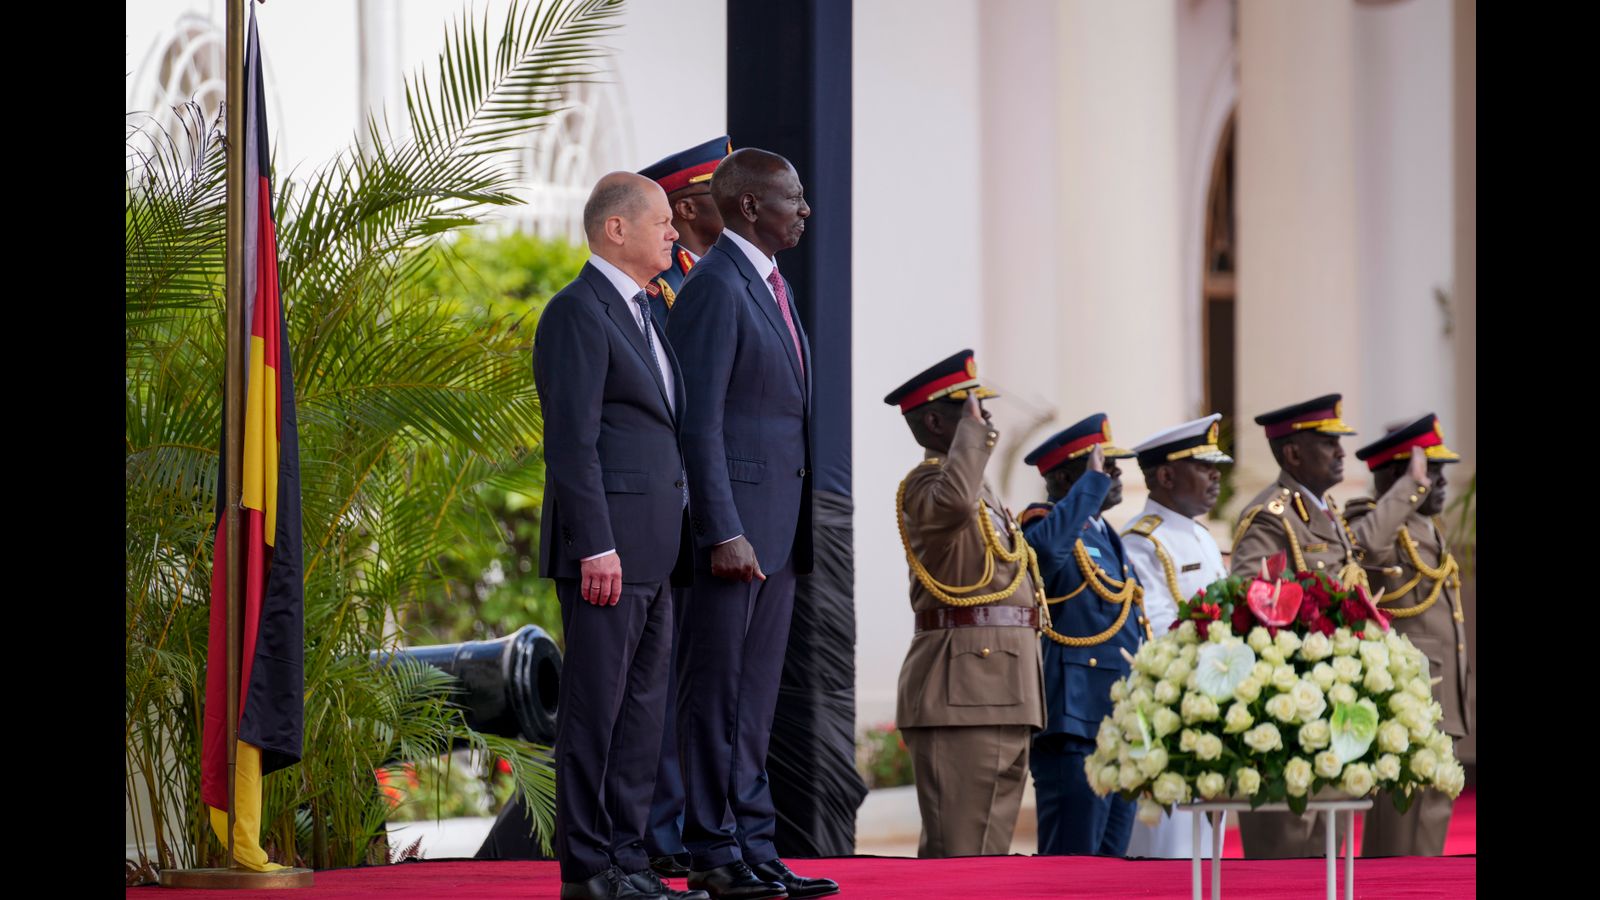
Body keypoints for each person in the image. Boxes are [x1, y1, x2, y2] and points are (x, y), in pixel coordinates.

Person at [665, 148, 836, 900]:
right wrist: (721, 528)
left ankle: (756, 847)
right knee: (718, 696)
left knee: (756, 698)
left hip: (778, 530)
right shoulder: (713, 289)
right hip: (735, 536)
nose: (804, 211)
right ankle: (714, 850)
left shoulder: (770, 282)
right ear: (746, 208)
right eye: (791, 199)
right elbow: (698, 424)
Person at [534, 173, 704, 900]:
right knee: (597, 712)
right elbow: (572, 445)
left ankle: (629, 861)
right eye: (663, 221)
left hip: (659, 551)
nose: (675, 232)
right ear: (616, 230)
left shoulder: (647, 311)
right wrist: (593, 543)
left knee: (642, 718)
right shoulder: (577, 312)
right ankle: (589, 869)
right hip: (608, 552)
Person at [885, 349, 1047, 858]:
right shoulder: (927, 486)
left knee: (989, 854)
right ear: (935, 422)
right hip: (964, 693)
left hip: (1004, 685)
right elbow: (952, 503)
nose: (986, 419)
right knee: (962, 857)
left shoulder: (981, 493)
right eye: (970, 410)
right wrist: (973, 442)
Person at [634, 136, 732, 880]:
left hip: (705, 506)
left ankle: (700, 822)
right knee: (661, 679)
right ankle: (660, 825)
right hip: (673, 510)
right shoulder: (668, 291)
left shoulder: (715, 282)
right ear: (693, 205)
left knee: (701, 676)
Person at [1228, 393, 1363, 859]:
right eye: (1329, 443)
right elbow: (1249, 598)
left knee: (1327, 848)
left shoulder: (1328, 513)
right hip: (1288, 702)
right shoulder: (1271, 516)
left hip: (1332, 695)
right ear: (1293, 453)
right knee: (1286, 850)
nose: (1341, 452)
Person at [1019, 414, 1148, 857]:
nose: (1113, 475)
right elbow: (1047, 556)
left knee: (1112, 866)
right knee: (1071, 864)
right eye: (1100, 466)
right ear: (1062, 477)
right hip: (1073, 720)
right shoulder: (1043, 523)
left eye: (1111, 467)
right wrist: (1088, 490)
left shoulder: (1104, 533)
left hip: (1115, 717)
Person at [1347, 414, 1472, 857]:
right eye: (1428, 472)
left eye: (1439, 473)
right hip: (1405, 704)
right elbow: (1362, 546)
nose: (1438, 483)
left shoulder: (1426, 528)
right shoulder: (1376, 521)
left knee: (1428, 832)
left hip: (1439, 702)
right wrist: (1408, 489)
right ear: (1395, 477)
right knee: (1400, 838)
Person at [1119, 414, 1232, 858]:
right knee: (1168, 848)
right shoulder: (1141, 540)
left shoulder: (1201, 535)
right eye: (1203, 465)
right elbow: (1158, 627)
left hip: (1212, 695)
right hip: (1169, 705)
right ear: (1165, 475)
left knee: (1207, 846)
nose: (1215, 475)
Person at [638, 136, 731, 324]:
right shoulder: (659, 283)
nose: (739, 203)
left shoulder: (730, 267)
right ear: (688, 209)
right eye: (726, 193)